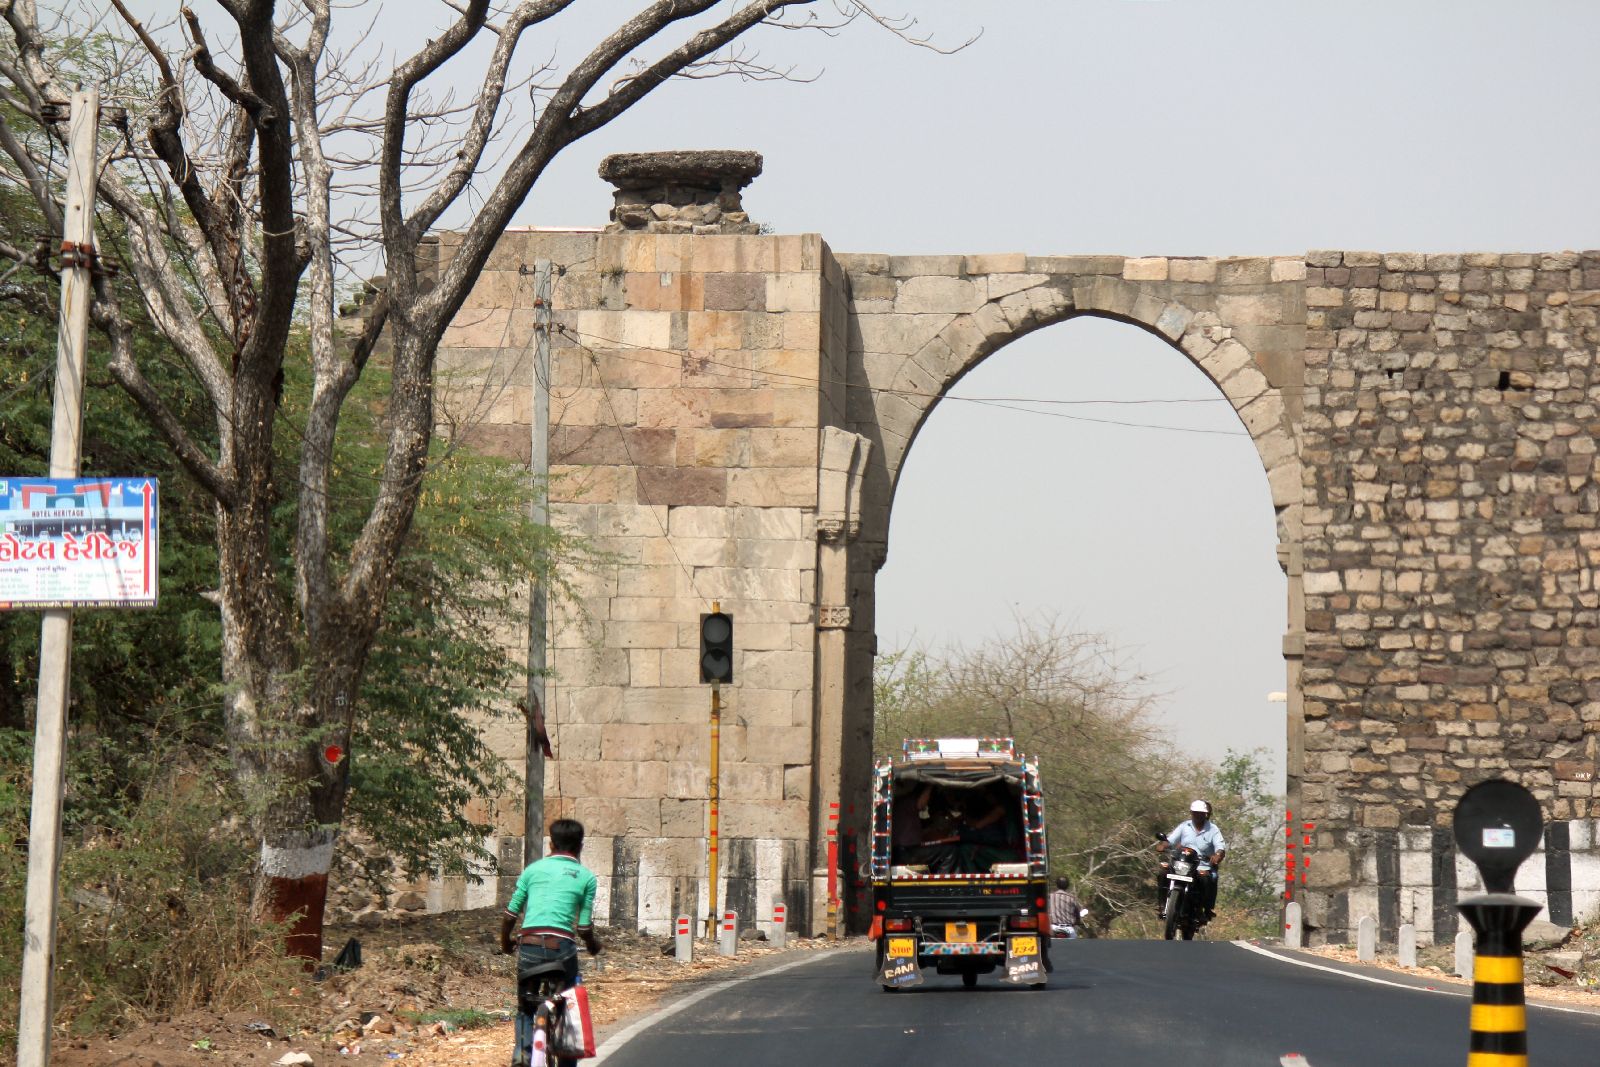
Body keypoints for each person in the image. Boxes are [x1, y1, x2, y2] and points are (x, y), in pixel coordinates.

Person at [499, 818, 602, 1067]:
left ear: (551, 844)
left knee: (526, 1005)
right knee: (568, 1003)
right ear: (580, 847)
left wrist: (505, 943)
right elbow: (584, 927)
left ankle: (522, 1054)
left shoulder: (532, 870)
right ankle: (567, 1060)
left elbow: (510, 915)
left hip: (529, 947)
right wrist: (592, 945)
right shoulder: (586, 878)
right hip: (563, 951)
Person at [1156, 799, 1227, 922]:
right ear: (1191, 813)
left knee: (1207, 878)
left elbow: (1220, 847)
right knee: (1163, 870)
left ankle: (1203, 909)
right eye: (1195, 812)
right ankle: (1162, 905)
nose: (1197, 815)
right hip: (1181, 863)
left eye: (1200, 813)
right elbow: (1171, 840)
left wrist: (1217, 855)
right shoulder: (1184, 826)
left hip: (1201, 866)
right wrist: (1163, 845)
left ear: (1205, 814)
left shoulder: (1213, 829)